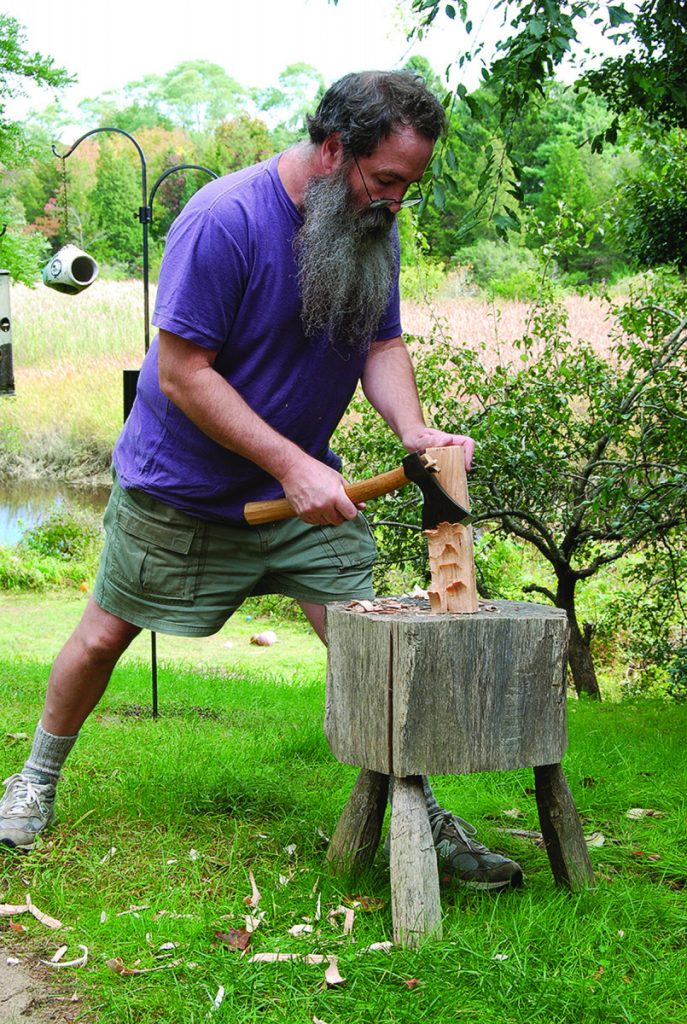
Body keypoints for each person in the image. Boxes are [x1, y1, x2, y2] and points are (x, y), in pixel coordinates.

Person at [0, 71, 522, 889]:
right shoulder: (226, 220)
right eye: (386, 179)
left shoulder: (369, 226)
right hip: (180, 492)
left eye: (408, 186)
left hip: (307, 500)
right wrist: (290, 463)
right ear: (332, 149)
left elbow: (380, 344)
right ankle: (34, 778)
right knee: (102, 637)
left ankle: (422, 814)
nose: (395, 201)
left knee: (373, 650)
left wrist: (413, 432)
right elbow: (182, 373)